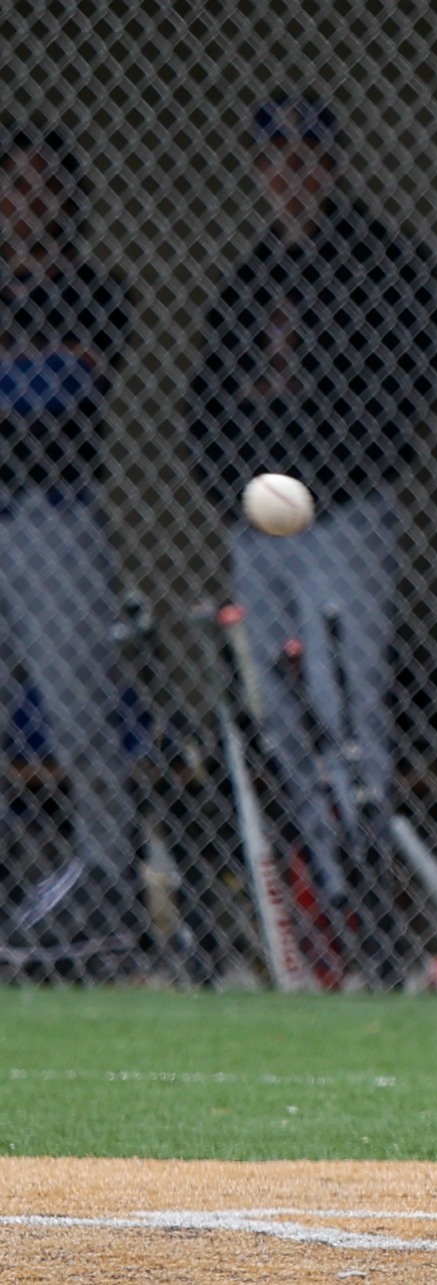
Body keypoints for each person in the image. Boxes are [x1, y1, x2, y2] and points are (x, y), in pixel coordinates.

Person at [186, 93, 437, 988]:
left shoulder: (378, 263)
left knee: (347, 705)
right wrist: (238, 493)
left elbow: (407, 383)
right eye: (275, 157)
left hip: (347, 517)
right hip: (261, 530)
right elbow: (201, 406)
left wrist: (328, 476)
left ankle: (366, 893)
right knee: (278, 712)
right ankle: (324, 892)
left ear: (331, 164)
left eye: (306, 155)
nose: (290, 173)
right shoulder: (251, 276)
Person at [0, 125, 140, 952]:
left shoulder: (96, 290)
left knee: (81, 711)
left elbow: (65, 395)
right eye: (15, 186)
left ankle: (109, 887)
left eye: (45, 187)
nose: (30, 203)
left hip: (59, 519)